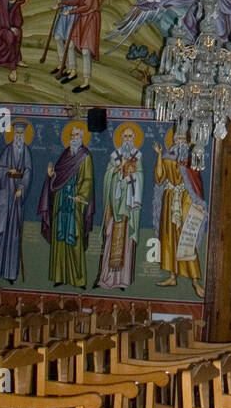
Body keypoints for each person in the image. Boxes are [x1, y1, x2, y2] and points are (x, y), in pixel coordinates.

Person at [38, 123, 95, 288]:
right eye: (72, 135)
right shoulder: (65, 155)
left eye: (77, 135)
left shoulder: (85, 157)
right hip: (60, 200)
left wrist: (81, 195)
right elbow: (59, 175)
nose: (74, 138)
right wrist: (51, 175)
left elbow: (88, 180)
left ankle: (79, 279)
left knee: (74, 238)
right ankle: (59, 276)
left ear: (82, 137)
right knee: (59, 239)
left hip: (75, 203)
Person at [152, 133, 205, 297]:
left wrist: (198, 203)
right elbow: (160, 178)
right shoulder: (167, 158)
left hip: (185, 200)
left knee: (186, 239)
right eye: (177, 140)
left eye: (183, 140)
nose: (180, 143)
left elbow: (196, 183)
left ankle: (195, 281)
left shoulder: (190, 161)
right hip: (169, 201)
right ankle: (172, 276)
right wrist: (160, 155)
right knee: (168, 238)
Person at [95, 126, 143, 290]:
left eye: (131, 137)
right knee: (110, 239)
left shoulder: (137, 156)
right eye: (125, 136)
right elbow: (108, 177)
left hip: (128, 207)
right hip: (115, 206)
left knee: (127, 243)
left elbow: (141, 177)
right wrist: (117, 169)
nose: (128, 139)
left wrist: (131, 178)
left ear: (134, 138)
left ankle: (123, 280)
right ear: (121, 138)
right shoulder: (114, 156)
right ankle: (106, 278)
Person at [0, 120, 32, 283]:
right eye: (17, 133)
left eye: (21, 134)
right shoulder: (7, 150)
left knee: (13, 235)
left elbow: (28, 172)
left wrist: (22, 188)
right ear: (13, 134)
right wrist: (7, 171)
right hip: (4, 195)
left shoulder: (26, 152)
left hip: (17, 197)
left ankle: (10, 273)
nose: (19, 136)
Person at [66, 0, 102, 94]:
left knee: (86, 50)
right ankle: (73, 70)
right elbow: (76, 1)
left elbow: (87, 6)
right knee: (70, 43)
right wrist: (63, 2)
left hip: (90, 19)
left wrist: (71, 12)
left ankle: (86, 81)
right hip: (82, 18)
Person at [50, 0, 81, 79]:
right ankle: (63, 63)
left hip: (72, 13)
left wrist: (62, 2)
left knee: (70, 42)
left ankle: (73, 69)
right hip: (63, 12)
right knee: (58, 37)